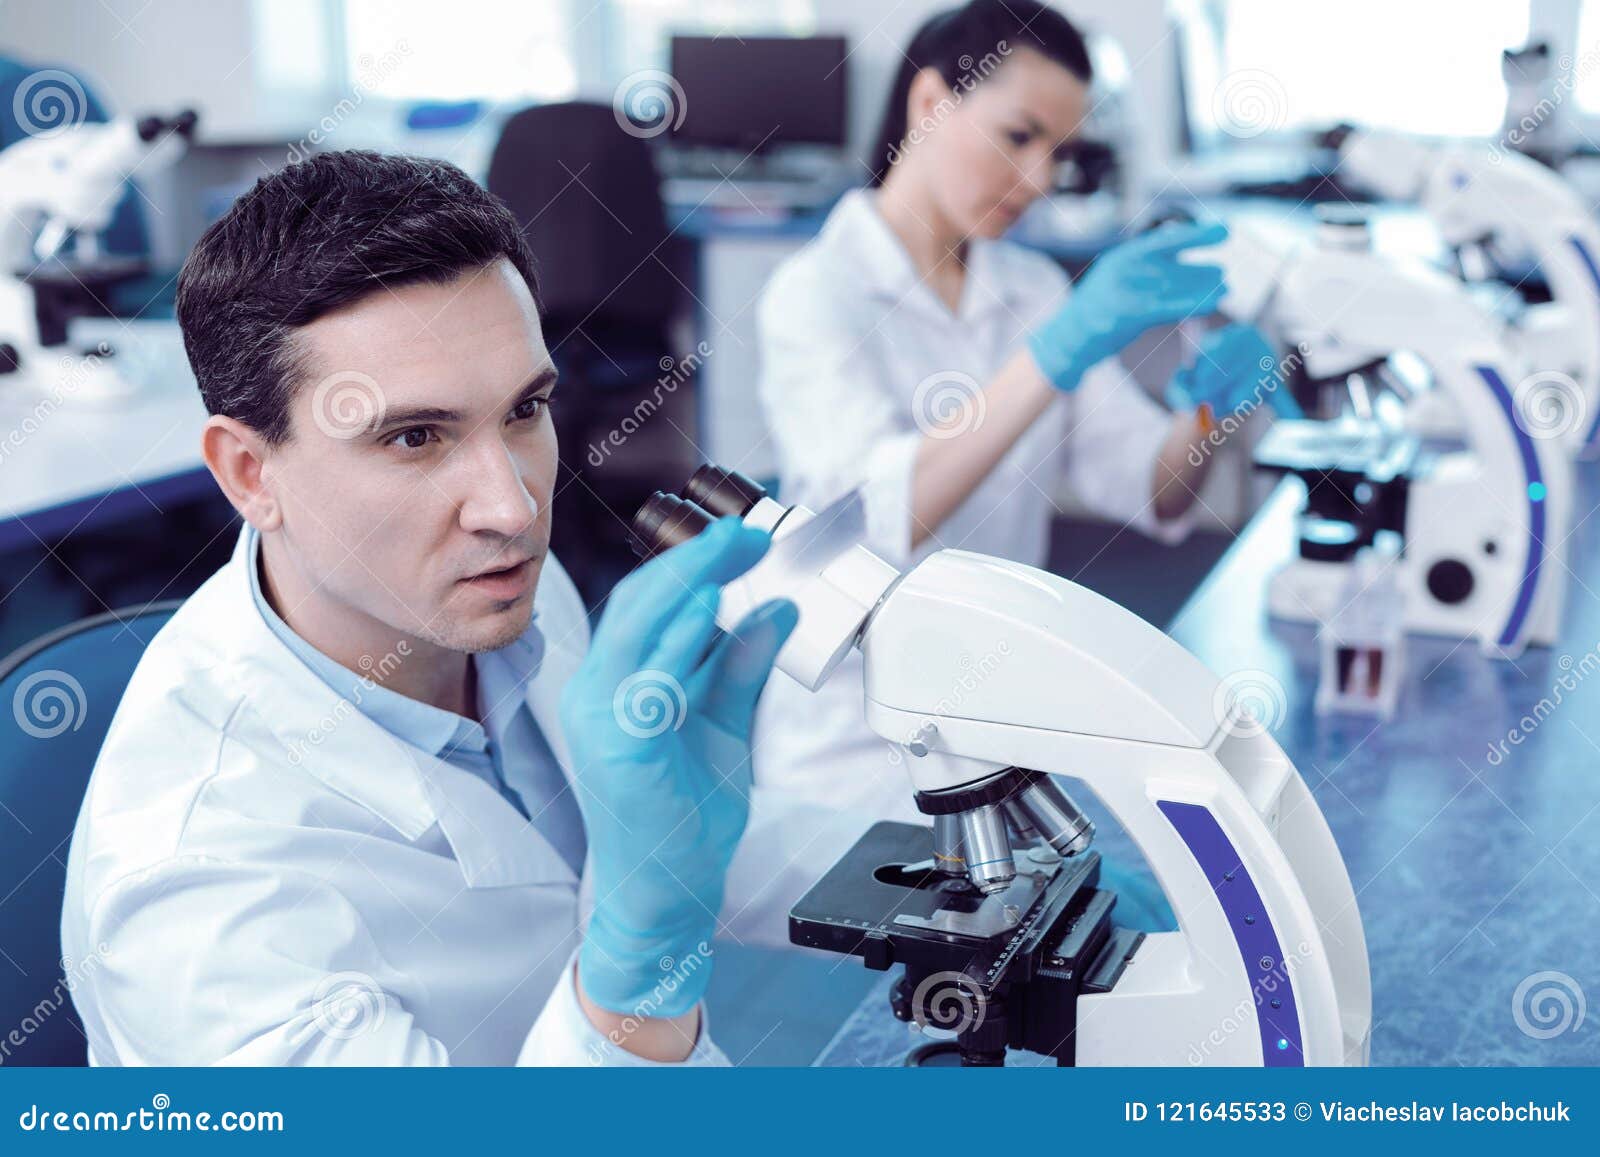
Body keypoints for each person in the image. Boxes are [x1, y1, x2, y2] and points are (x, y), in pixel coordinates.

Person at [60, 150, 861, 1066]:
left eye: (526, 410)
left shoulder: (484, 588)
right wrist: (635, 977)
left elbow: (649, 849)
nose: (513, 508)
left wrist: (957, 876)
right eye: (414, 437)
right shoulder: (202, 904)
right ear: (251, 473)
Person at [752, 0, 1283, 822]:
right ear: (931, 104)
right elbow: (890, 508)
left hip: (999, 727)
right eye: (1018, 136)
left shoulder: (1030, 288)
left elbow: (1152, 488)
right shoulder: (814, 294)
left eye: (1060, 152)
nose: (1039, 180)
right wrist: (1052, 353)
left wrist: (1209, 412)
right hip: (848, 753)